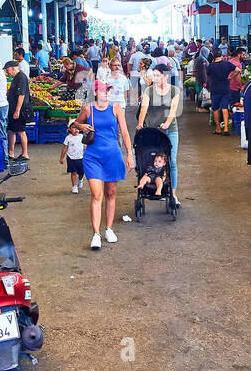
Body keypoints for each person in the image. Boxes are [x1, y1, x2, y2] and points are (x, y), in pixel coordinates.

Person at [76, 80, 132, 250]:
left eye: (107, 91)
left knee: (111, 193)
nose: (105, 93)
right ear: (95, 93)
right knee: (96, 194)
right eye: (102, 91)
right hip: (93, 156)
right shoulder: (88, 109)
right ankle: (96, 234)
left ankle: (109, 228)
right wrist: (82, 126)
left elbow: (124, 132)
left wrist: (130, 153)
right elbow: (75, 124)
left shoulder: (116, 109)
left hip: (112, 156)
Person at [138, 62, 182, 201]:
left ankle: (173, 193)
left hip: (170, 130)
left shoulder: (175, 90)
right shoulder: (148, 91)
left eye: (158, 75)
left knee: (172, 161)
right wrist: (140, 124)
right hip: (152, 132)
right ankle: (154, 186)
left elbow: (173, 110)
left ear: (166, 76)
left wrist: (167, 124)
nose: (155, 78)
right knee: (152, 160)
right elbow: (144, 108)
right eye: (154, 75)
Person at [4, 60, 32, 160]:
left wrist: (17, 110)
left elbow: (21, 95)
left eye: (7, 70)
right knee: (11, 130)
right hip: (13, 108)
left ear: (13, 68)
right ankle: (10, 153)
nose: (7, 73)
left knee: (21, 131)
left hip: (20, 109)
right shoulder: (16, 78)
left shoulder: (21, 77)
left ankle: (25, 153)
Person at [207, 51, 237, 134]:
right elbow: (238, 69)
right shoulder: (227, 63)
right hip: (226, 88)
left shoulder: (211, 65)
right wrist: (231, 77)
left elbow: (208, 74)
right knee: (224, 107)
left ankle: (218, 129)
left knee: (215, 108)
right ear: (221, 55)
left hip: (215, 89)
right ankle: (226, 128)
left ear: (213, 56)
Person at [59, 120, 87, 194]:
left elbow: (85, 146)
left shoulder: (82, 137)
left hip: (81, 157)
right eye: (74, 128)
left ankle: (80, 179)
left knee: (81, 172)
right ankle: (74, 186)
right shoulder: (68, 138)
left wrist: (87, 155)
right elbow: (65, 148)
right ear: (69, 129)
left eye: (77, 128)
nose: (76, 129)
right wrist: (62, 157)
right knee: (73, 172)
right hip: (71, 157)